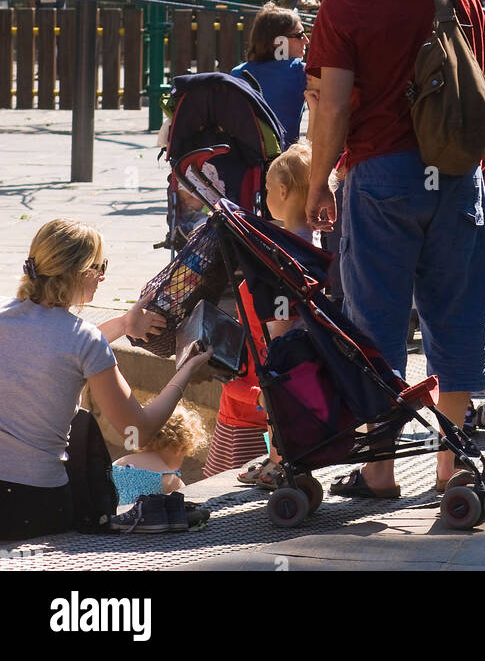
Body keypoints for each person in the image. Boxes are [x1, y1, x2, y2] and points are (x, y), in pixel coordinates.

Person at [304, 0, 485, 498]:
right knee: (457, 314)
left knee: (376, 324)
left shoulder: (343, 5)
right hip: (457, 177)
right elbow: (481, 89)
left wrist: (317, 182)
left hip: (380, 177)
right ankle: (453, 462)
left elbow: (330, 107)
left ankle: (380, 469)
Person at [0, 219, 211, 539]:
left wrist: (124, 324)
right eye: (100, 266)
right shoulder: (83, 340)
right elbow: (136, 432)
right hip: (35, 504)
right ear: (80, 272)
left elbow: (53, 352)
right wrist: (185, 372)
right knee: (84, 423)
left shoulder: (7, 315)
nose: (103, 276)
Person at [208, 143, 313, 483]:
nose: (264, 195)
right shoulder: (308, 240)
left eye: (267, 189)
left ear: (282, 191)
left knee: (276, 400)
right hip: (284, 336)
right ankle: (275, 457)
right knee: (280, 404)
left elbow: (281, 300)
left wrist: (277, 343)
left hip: (276, 337)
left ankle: (278, 461)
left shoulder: (283, 248)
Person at [231, 1, 308, 143]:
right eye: (300, 35)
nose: (306, 40)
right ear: (279, 41)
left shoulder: (238, 73)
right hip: (283, 160)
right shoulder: (301, 71)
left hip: (247, 158)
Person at [111, 402, 207, 505]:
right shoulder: (168, 479)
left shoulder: (117, 465)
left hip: (113, 519)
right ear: (178, 448)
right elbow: (188, 506)